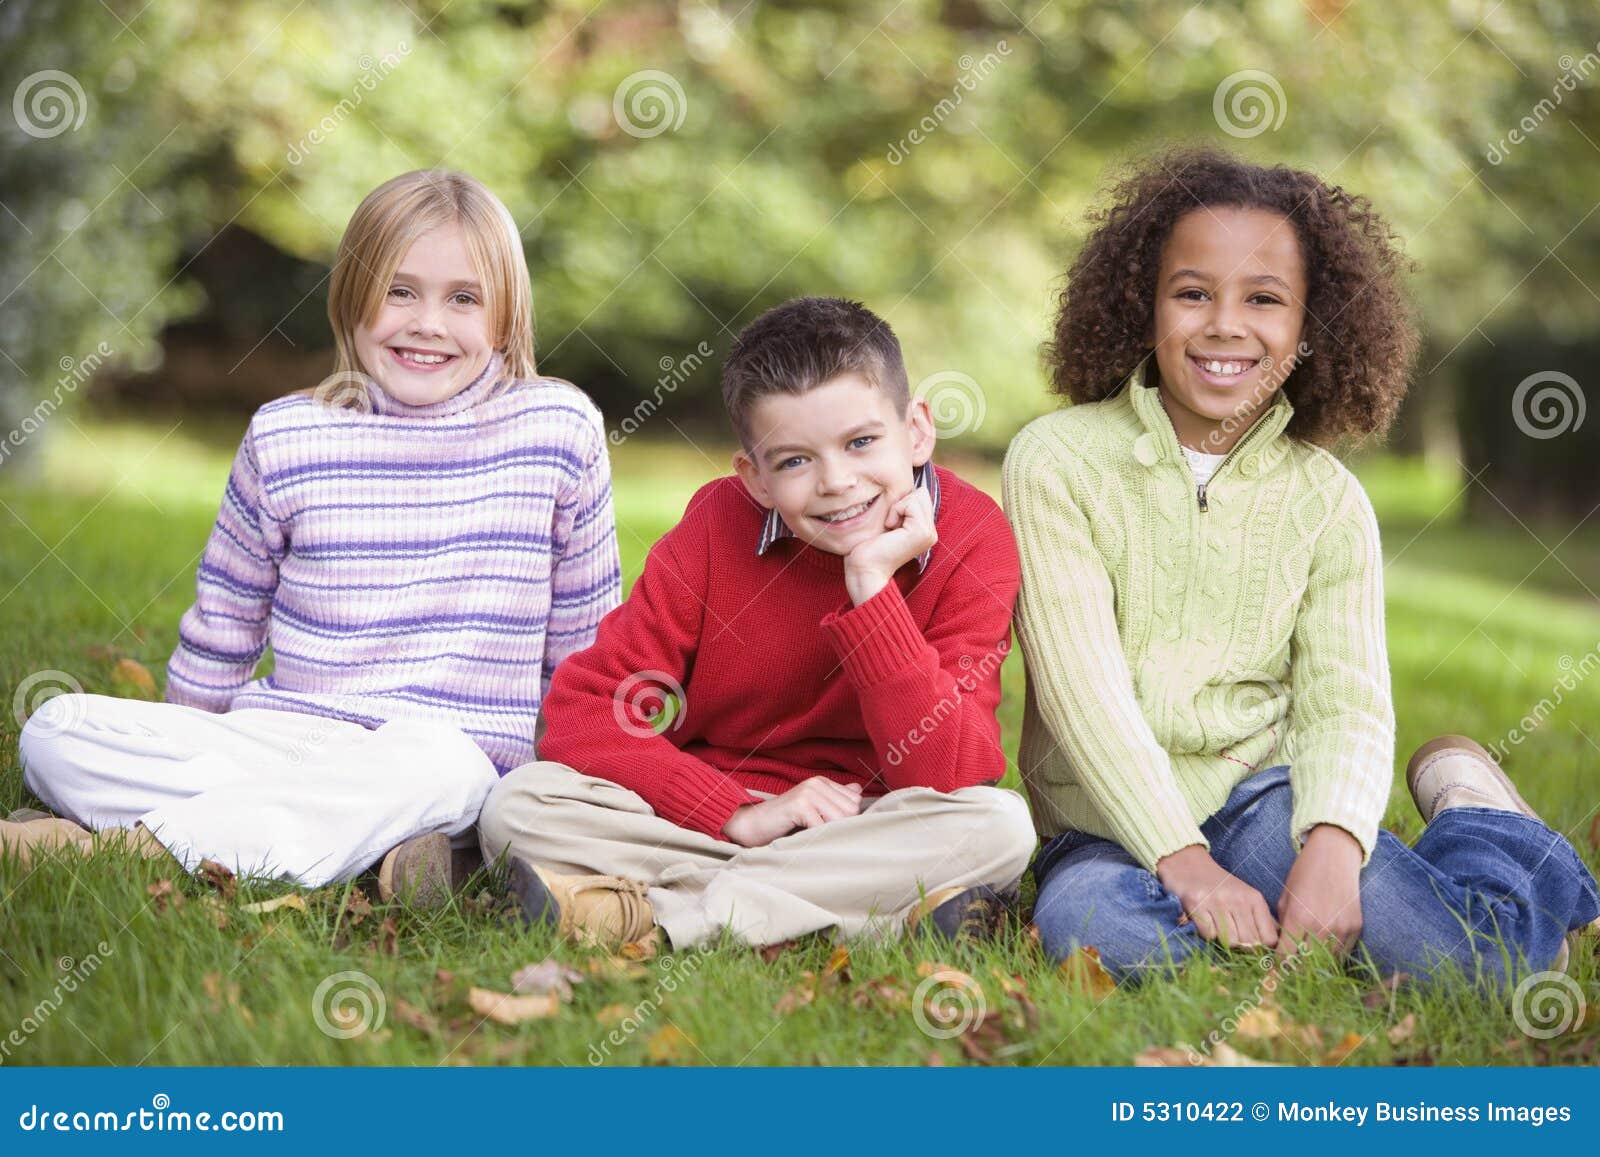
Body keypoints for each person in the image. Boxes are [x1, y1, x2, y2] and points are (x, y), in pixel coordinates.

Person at [1006, 145, 1599, 983]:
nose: (1224, 324)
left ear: (1309, 325)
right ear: (1144, 307)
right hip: (1101, 823)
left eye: (1264, 299)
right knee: (1101, 936)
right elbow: (1084, 699)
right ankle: (1240, 923)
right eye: (1192, 293)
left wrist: (1332, 843)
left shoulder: (1329, 500)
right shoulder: (1055, 461)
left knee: (1482, 969)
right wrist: (1184, 860)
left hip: (1259, 803)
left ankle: (1480, 817)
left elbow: (1345, 699)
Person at [10, 170, 621, 904]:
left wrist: (564, 797)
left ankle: (124, 848)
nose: (428, 321)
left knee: (429, 763)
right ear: (352, 300)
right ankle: (380, 855)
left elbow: (584, 647)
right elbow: (225, 624)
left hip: (455, 757)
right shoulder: (288, 434)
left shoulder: (559, 431)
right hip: (286, 740)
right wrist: (187, 738)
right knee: (56, 729)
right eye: (399, 290)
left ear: (505, 317)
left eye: (463, 298)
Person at [478, 296, 1035, 950]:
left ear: (915, 430)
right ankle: (851, 916)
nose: (836, 481)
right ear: (756, 477)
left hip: (869, 823)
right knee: (519, 804)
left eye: (861, 442)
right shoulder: (716, 526)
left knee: (998, 825)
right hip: (711, 818)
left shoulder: (975, 537)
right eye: (795, 460)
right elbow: (585, 708)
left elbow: (950, 770)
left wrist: (873, 589)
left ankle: (656, 915)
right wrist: (737, 811)